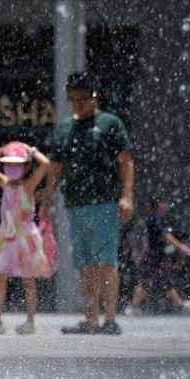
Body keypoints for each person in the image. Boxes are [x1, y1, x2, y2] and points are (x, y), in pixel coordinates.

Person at [39, 72, 134, 335]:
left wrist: (127, 195)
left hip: (105, 201)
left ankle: (110, 318)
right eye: (73, 100)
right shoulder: (65, 128)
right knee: (84, 262)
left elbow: (125, 160)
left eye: (83, 99)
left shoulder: (110, 123)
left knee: (106, 259)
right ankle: (91, 318)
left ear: (95, 97)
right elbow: (56, 169)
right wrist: (46, 202)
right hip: (76, 204)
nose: (77, 104)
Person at [0, 142, 52, 335]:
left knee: (29, 279)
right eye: (8, 164)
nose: (11, 168)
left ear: (26, 167)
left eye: (17, 164)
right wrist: (2, 150)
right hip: (7, 236)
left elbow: (45, 165)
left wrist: (29, 150)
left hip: (25, 237)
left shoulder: (28, 186)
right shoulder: (5, 183)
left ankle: (30, 321)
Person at [125, 199, 190, 315]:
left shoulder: (155, 218)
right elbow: (165, 235)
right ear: (158, 205)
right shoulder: (155, 218)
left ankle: (181, 305)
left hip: (156, 256)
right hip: (155, 257)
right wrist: (181, 247)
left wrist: (143, 252)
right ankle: (133, 307)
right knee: (149, 282)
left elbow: (149, 239)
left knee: (163, 282)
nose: (166, 205)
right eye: (163, 203)